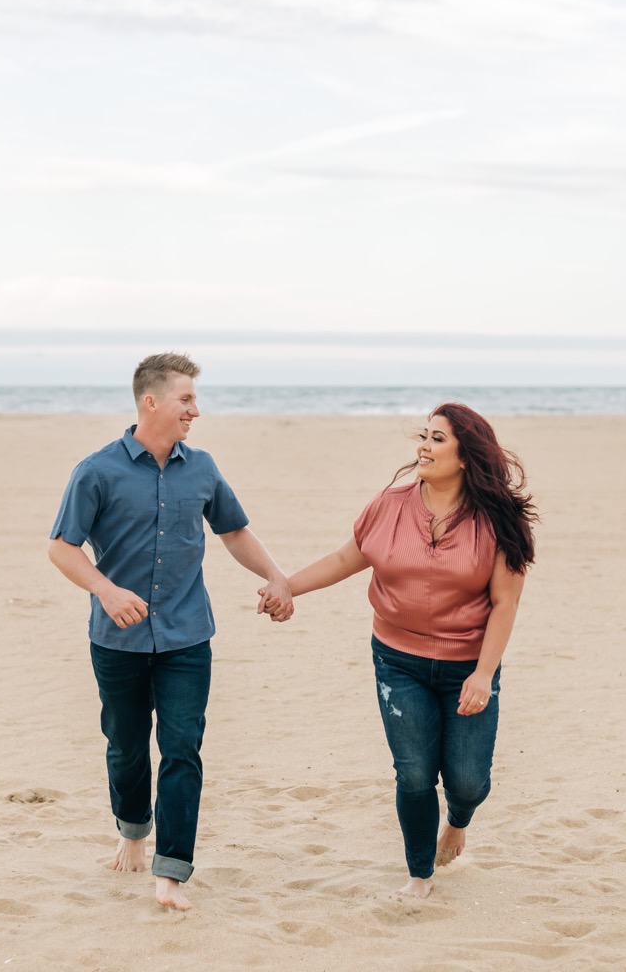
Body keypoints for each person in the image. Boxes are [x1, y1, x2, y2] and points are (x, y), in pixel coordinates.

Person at [47, 352, 293, 911]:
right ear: (151, 401)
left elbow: (234, 532)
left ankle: (171, 873)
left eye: (195, 401)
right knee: (126, 745)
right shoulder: (97, 470)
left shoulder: (202, 468)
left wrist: (277, 577)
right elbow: (62, 547)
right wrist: (106, 590)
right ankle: (133, 829)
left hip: (188, 636)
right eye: (186, 400)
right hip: (118, 639)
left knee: (183, 749)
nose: (195, 411)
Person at [263, 402, 536, 898]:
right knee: (413, 773)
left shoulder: (500, 522)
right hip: (397, 661)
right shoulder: (389, 505)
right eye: (424, 436)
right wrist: (287, 586)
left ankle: (457, 821)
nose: (423, 447)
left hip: (468, 665)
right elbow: (345, 559)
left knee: (468, 781)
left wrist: (483, 673)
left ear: (466, 457)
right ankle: (420, 874)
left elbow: (505, 603)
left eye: (437, 439)